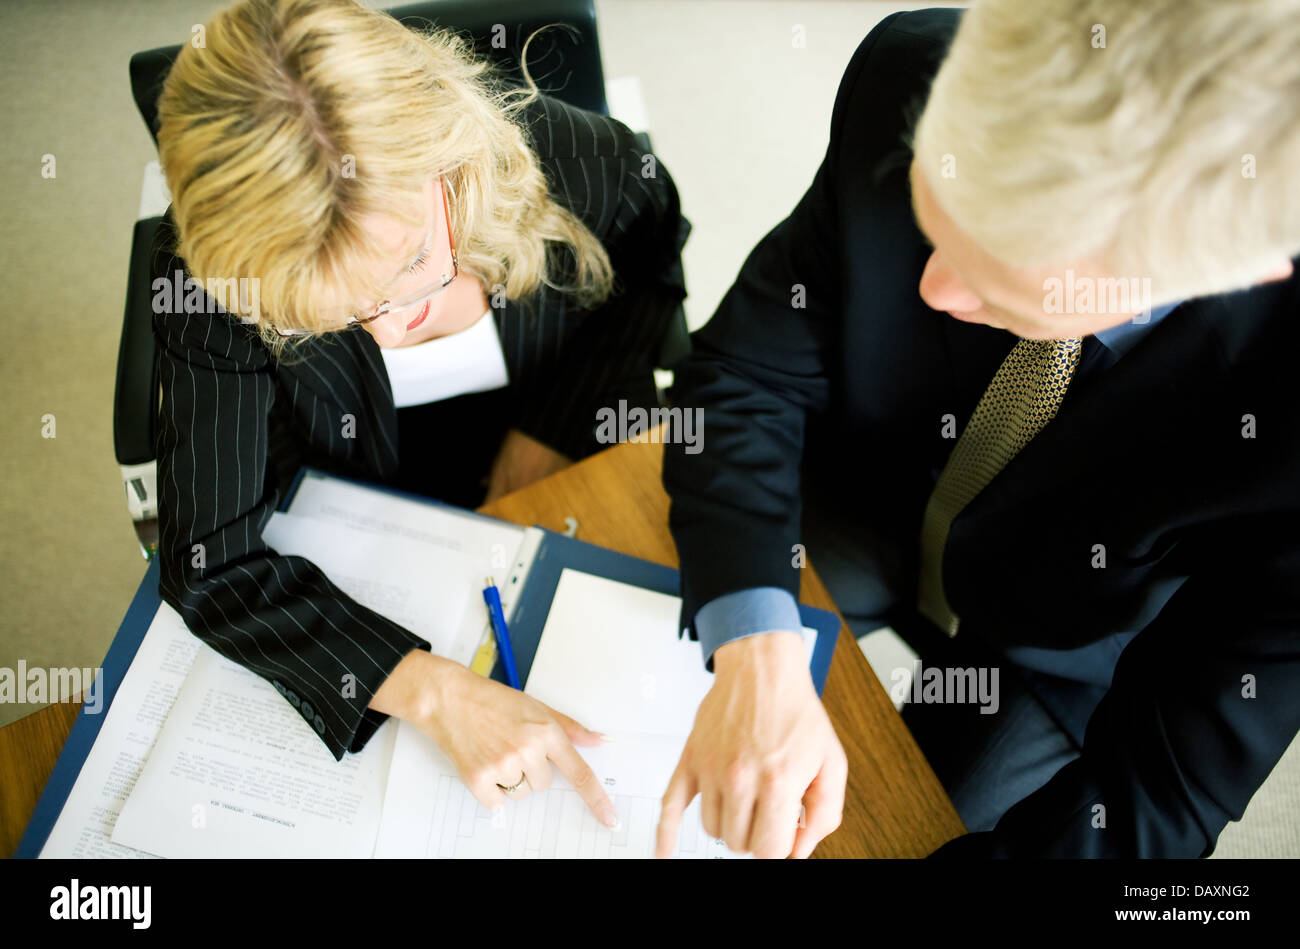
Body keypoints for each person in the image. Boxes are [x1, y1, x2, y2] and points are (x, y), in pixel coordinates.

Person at [658, 0, 1300, 858]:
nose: (932, 289)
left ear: (1227, 267)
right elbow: (742, 373)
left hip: (1069, 630)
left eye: (999, 278)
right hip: (874, 487)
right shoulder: (912, 67)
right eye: (934, 215)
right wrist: (755, 641)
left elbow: (1162, 793)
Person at [151, 0, 688, 827]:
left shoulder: (588, 159)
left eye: (411, 265)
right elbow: (206, 560)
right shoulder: (216, 284)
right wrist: (432, 690)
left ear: (451, 164)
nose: (397, 328)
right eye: (337, 310)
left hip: (551, 409)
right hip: (349, 468)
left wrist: (546, 431)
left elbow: (651, 268)